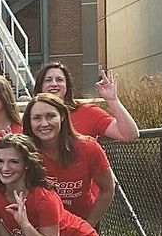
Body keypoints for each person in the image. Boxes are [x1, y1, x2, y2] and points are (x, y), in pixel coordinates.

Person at [23, 93, 114, 227]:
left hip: (83, 224)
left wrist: (89, 225)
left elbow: (108, 189)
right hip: (42, 229)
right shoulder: (25, 153)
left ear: (62, 116)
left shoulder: (88, 148)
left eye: (51, 116)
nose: (44, 123)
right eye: (37, 118)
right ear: (29, 122)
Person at [33, 63, 139, 142]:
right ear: (40, 86)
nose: (54, 84)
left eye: (59, 80)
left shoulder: (88, 112)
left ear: (67, 86)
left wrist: (112, 100)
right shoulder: (32, 118)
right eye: (48, 80)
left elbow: (130, 135)